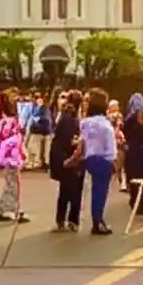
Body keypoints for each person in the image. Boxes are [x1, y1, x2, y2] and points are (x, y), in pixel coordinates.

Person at [76, 88, 117, 235]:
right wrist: (114, 161)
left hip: (90, 157)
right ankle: (98, 221)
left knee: (96, 189)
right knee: (101, 190)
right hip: (104, 158)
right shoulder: (105, 124)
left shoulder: (85, 123)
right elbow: (110, 145)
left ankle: (97, 219)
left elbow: (83, 141)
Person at [50, 90, 84, 231]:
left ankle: (61, 219)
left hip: (61, 156)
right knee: (75, 190)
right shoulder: (72, 119)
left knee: (64, 190)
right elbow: (70, 140)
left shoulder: (64, 116)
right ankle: (72, 220)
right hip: (70, 157)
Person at [0, 97, 29, 222]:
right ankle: (13, 208)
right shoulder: (12, 123)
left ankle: (7, 208)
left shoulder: (2, 122)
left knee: (11, 182)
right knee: (14, 183)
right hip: (13, 156)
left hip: (7, 155)